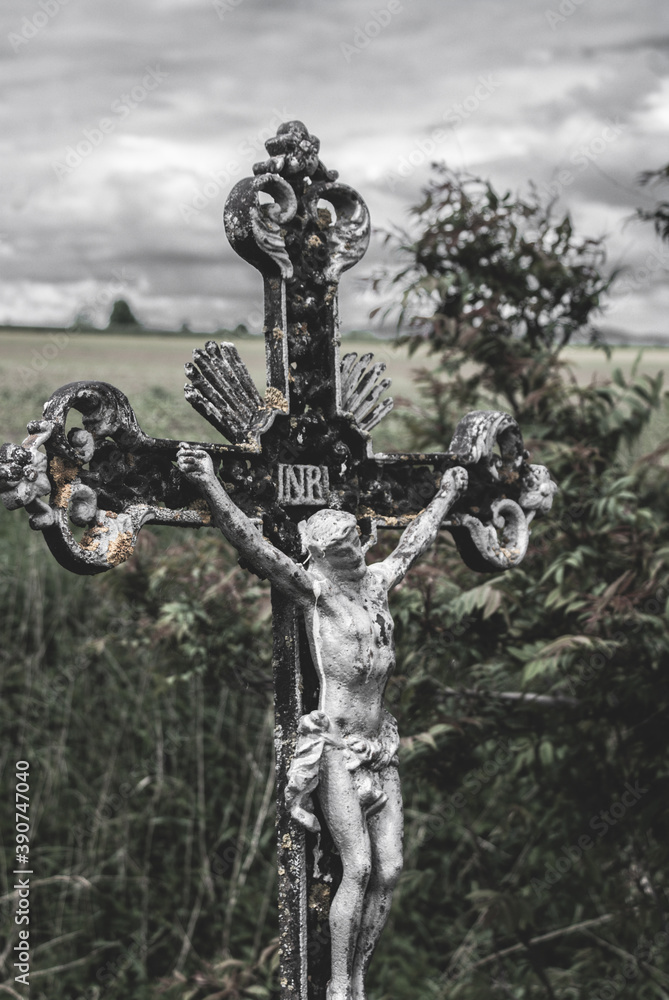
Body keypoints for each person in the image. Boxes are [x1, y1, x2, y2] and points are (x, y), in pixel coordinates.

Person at [176, 442, 468, 1000]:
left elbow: (415, 540)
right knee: (355, 867)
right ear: (319, 556)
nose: (351, 555)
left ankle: (359, 973)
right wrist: (210, 483)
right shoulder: (318, 596)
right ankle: (339, 987)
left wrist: (448, 494)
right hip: (335, 747)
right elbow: (256, 548)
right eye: (336, 551)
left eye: (353, 543)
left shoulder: (379, 584)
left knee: (391, 867)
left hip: (380, 745)